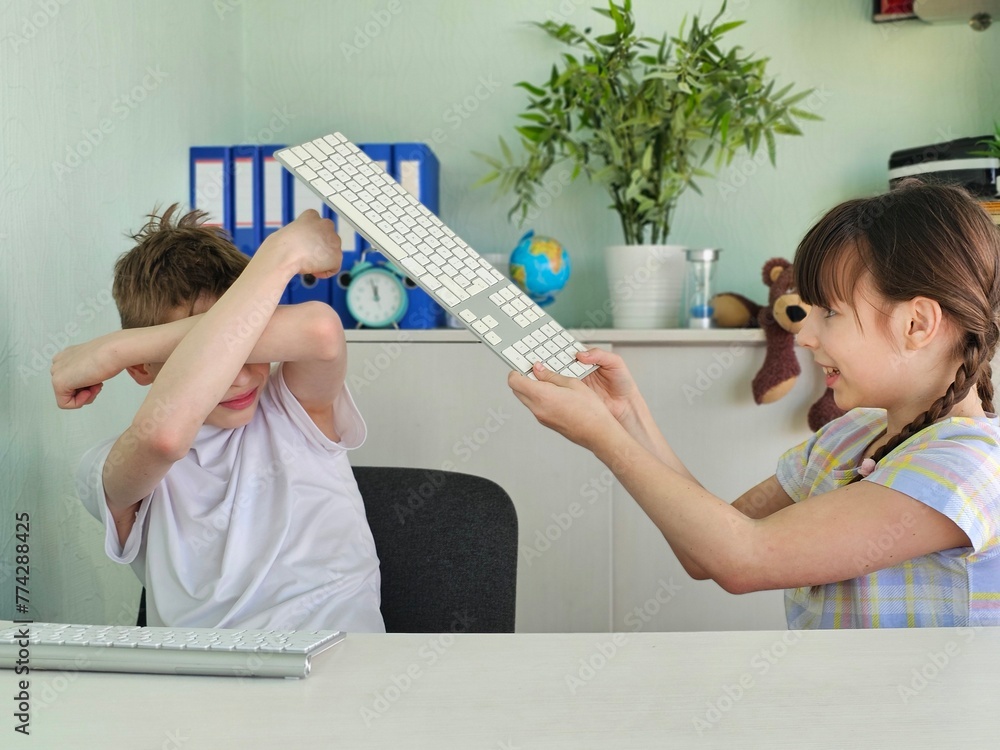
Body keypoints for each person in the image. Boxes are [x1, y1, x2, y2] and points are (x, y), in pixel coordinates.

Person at [509, 181, 1000, 628]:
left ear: (917, 324)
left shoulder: (964, 469)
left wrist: (605, 440)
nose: (806, 336)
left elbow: (743, 558)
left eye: (830, 312)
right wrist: (626, 415)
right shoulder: (847, 437)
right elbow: (710, 546)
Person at [52, 205, 385, 632]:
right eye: (219, 360)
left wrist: (117, 348)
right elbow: (165, 438)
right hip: (205, 682)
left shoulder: (292, 410)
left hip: (344, 664)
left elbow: (319, 330)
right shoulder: (104, 469)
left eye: (255, 350)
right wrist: (283, 254)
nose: (242, 374)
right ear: (142, 369)